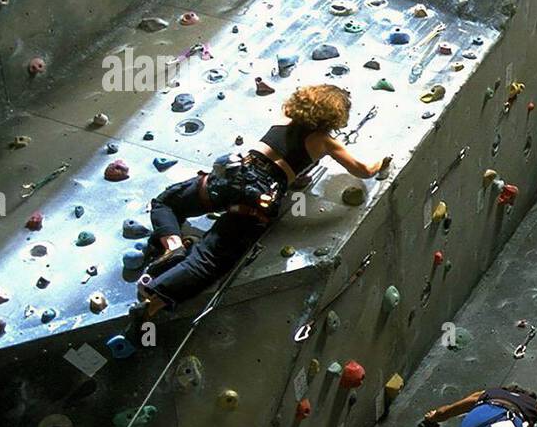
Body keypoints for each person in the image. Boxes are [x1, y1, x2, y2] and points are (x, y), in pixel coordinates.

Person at [129, 84, 387, 327]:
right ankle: (153, 302)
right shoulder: (325, 141)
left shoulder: (284, 118)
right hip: (260, 196)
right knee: (209, 259)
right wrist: (381, 163)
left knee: (167, 203)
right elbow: (362, 170)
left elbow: (283, 149)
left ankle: (172, 245)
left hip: (235, 173)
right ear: (335, 117)